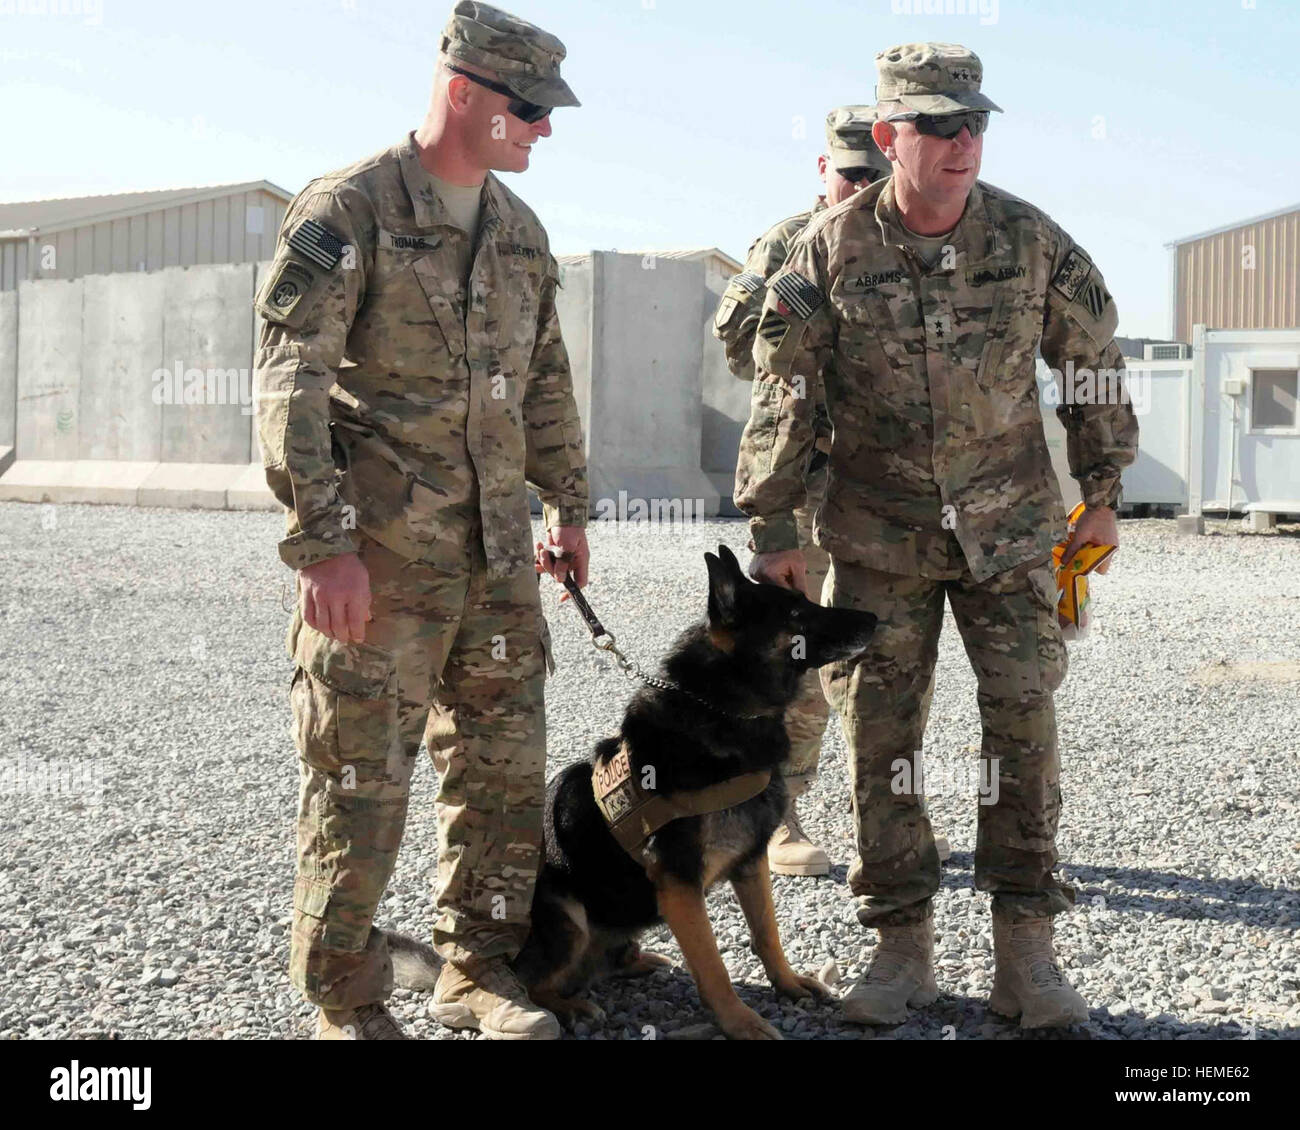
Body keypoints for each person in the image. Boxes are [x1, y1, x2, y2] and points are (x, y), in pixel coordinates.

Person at [735, 42, 1138, 1028]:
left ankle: (1025, 956)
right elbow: (781, 387)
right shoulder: (827, 250)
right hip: (876, 534)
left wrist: (1102, 489)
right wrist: (775, 524)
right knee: (884, 739)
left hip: (1010, 532)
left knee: (1023, 731)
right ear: (890, 138)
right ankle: (898, 946)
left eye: (974, 124)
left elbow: (1091, 355)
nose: (963, 143)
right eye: (938, 126)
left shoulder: (1030, 240)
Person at [253, 1, 588, 1040]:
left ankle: (477, 970)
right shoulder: (345, 210)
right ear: (461, 92)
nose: (542, 127)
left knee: (499, 775)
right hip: (382, 565)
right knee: (360, 777)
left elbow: (544, 382)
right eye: (526, 106)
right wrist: (325, 545)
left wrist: (568, 504)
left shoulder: (521, 236)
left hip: (495, 564)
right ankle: (346, 999)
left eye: (547, 109)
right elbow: (288, 385)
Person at [715, 107, 950, 876]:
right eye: (849, 175)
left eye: (872, 177)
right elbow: (738, 344)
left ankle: (886, 824)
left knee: (884, 663)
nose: (861, 189)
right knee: (800, 665)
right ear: (823, 172)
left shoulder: (909, 238)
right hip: (802, 487)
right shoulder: (790, 242)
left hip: (884, 489)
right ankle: (779, 818)